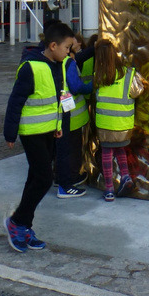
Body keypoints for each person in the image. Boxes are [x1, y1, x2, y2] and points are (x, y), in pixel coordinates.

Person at [1, 21, 75, 252]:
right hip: (31, 132)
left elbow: (57, 100)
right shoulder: (30, 68)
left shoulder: (59, 65)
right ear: (53, 46)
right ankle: (16, 222)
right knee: (44, 179)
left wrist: (58, 125)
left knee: (34, 178)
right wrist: (10, 132)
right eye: (67, 48)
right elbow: (15, 101)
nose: (68, 52)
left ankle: (25, 226)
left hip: (49, 130)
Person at [91, 36, 142, 201]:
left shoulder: (98, 77)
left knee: (107, 153)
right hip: (123, 124)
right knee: (120, 149)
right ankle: (125, 176)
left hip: (105, 124)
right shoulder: (128, 74)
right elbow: (137, 91)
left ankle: (109, 189)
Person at [54, 33, 96, 198]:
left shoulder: (50, 61)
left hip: (55, 116)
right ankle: (69, 180)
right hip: (72, 117)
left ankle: (58, 177)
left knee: (60, 149)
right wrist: (92, 85)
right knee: (72, 149)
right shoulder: (68, 63)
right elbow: (76, 86)